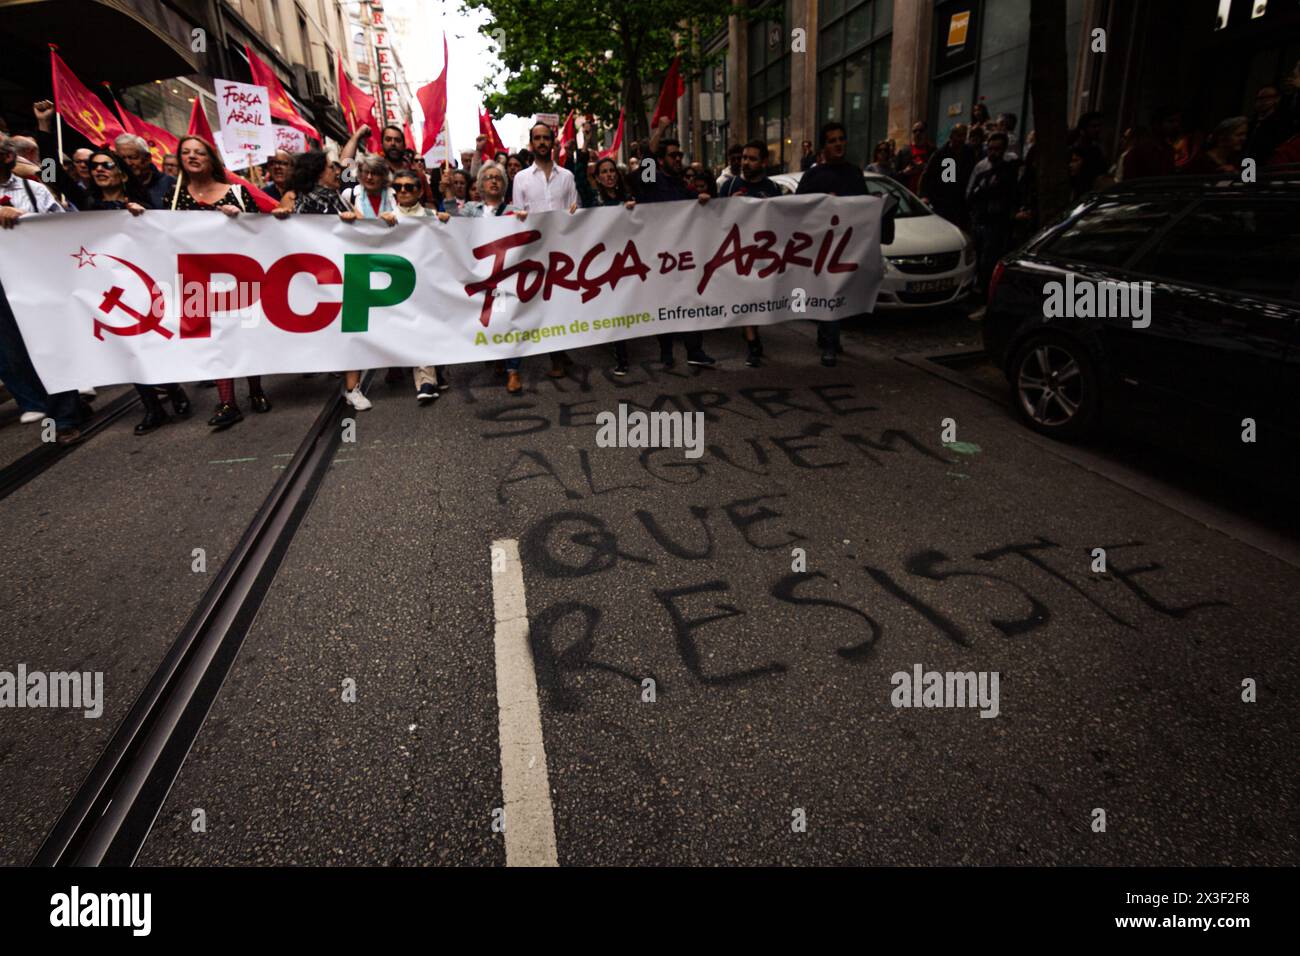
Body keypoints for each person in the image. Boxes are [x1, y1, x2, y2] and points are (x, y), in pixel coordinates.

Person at [84, 149, 193, 434]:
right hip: (106, 288)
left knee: (151, 342)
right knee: (128, 346)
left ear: (121, 172)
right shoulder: (86, 206)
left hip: (144, 286)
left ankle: (173, 388)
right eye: (93, 166)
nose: (99, 170)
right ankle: (152, 407)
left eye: (107, 164)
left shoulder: (142, 203)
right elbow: (53, 174)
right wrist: (45, 129)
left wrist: (141, 216)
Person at [170, 134, 271, 429]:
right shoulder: (175, 196)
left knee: (246, 334)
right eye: (186, 152)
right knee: (216, 339)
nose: (192, 157)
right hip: (198, 279)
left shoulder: (237, 192)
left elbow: (260, 231)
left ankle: (256, 390)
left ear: (210, 159)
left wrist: (241, 218)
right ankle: (227, 401)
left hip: (239, 275)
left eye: (199, 152)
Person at [0, 132, 85, 443]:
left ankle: (64, 418)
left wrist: (27, 220)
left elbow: (60, 228)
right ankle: (50, 404)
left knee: (49, 347)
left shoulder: (34, 188)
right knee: (13, 354)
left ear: (8, 157)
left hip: (34, 279)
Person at [277, 149, 377, 410]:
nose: (337, 172)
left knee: (350, 329)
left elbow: (367, 226)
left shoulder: (341, 199)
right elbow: (279, 230)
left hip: (343, 274)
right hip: (310, 276)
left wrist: (356, 220)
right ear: (317, 171)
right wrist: (280, 218)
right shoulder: (294, 197)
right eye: (332, 168)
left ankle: (352, 387)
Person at [635, 132, 717, 369]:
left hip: (684, 257)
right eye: (673, 155)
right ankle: (666, 351)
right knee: (664, 303)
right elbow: (647, 159)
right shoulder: (653, 181)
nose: (678, 158)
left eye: (680, 154)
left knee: (691, 301)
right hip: (660, 256)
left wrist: (701, 200)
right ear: (662, 160)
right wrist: (658, 129)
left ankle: (695, 349)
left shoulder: (683, 184)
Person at [510, 121, 580, 381]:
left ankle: (559, 354)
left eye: (545, 138)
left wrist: (575, 213)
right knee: (539, 305)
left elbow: (576, 210)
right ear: (532, 144)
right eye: (536, 138)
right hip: (535, 251)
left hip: (562, 250)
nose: (541, 142)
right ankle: (551, 355)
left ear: (552, 142)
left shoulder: (568, 177)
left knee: (560, 303)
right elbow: (517, 215)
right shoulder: (521, 178)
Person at [797, 122, 870, 367]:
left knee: (839, 293)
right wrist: (822, 203)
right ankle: (830, 343)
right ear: (823, 147)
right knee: (829, 292)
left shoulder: (855, 173)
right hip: (821, 246)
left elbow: (863, 206)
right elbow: (798, 209)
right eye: (832, 140)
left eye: (841, 139)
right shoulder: (813, 176)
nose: (838, 143)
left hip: (846, 244)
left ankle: (828, 335)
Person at [719, 139, 782, 367]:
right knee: (747, 297)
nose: (745, 162)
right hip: (738, 254)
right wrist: (727, 206)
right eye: (744, 158)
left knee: (757, 298)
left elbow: (783, 221)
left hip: (763, 255)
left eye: (751, 159)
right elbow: (716, 222)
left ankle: (751, 333)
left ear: (763, 162)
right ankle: (752, 342)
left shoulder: (772, 189)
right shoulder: (729, 186)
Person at [579, 157, 638, 376]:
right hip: (607, 262)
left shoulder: (629, 197)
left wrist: (634, 208)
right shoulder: (595, 202)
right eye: (603, 172)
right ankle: (621, 356)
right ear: (598, 178)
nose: (609, 175)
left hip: (630, 259)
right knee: (616, 308)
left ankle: (666, 352)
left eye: (612, 171)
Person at [390, 169, 444, 404]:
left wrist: (447, 223)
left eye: (409, 187)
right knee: (416, 329)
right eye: (398, 187)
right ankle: (426, 380)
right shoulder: (386, 218)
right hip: (400, 283)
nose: (403, 191)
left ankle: (432, 374)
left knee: (430, 328)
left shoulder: (432, 217)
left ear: (420, 191)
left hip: (429, 282)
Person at [966, 131, 1021, 296]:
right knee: (978, 257)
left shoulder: (1010, 167)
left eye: (997, 149)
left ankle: (986, 294)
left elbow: (1013, 194)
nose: (993, 153)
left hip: (998, 221)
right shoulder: (981, 167)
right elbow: (970, 192)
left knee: (989, 260)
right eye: (990, 148)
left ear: (1004, 149)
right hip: (980, 218)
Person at [920, 123, 975, 228]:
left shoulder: (969, 152)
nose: (961, 139)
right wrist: (924, 195)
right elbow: (927, 176)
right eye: (958, 135)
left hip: (961, 203)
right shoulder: (941, 154)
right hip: (942, 202)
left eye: (964, 135)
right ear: (952, 136)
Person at [113, 132, 175, 209]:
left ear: (147, 158)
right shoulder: (115, 185)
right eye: (122, 158)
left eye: (132, 157)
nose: (127, 163)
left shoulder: (170, 184)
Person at [1181, 116, 1249, 175]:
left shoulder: (1237, 160)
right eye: (1239, 135)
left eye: (1244, 135)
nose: (1244, 138)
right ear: (1222, 137)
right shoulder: (1201, 161)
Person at [343, 153, 399, 221]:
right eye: (366, 172)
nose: (369, 177)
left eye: (374, 173)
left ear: (383, 175)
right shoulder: (349, 194)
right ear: (360, 173)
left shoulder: (395, 195)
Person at [894, 121, 934, 194]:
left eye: (921, 131)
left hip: (926, 196)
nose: (917, 133)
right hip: (907, 195)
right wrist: (904, 172)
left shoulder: (933, 151)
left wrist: (925, 167)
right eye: (915, 131)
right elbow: (894, 176)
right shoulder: (903, 152)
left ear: (926, 133)